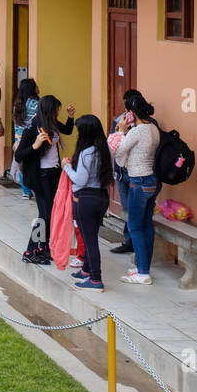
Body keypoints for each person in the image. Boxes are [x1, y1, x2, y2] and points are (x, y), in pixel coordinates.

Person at [14, 94, 76, 265]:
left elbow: (68, 130)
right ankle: (30, 250)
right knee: (44, 215)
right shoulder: (33, 126)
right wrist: (35, 146)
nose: (57, 115)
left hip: (54, 173)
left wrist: (70, 117)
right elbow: (19, 155)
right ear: (48, 111)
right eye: (56, 112)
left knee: (52, 213)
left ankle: (44, 248)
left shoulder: (51, 122)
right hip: (39, 175)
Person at [64, 114, 114, 291]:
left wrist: (67, 166)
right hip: (101, 198)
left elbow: (80, 180)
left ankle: (95, 279)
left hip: (86, 199)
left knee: (89, 240)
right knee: (89, 236)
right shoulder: (106, 149)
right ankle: (86, 271)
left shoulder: (87, 153)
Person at [113, 94, 160, 285]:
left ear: (131, 113)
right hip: (151, 180)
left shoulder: (137, 131)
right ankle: (143, 267)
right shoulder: (153, 129)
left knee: (134, 226)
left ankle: (143, 273)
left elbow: (117, 150)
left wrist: (121, 131)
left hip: (138, 181)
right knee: (146, 225)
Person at [108, 88, 143, 255]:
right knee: (127, 209)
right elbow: (113, 146)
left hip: (138, 173)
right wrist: (120, 130)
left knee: (138, 210)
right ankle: (128, 241)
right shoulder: (118, 121)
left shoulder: (146, 125)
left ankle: (137, 242)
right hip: (121, 172)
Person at [10, 78, 40, 199]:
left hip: (19, 139)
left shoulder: (17, 104)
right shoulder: (37, 104)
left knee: (21, 164)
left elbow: (16, 125)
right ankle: (34, 188)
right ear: (32, 89)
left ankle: (25, 191)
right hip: (32, 139)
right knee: (32, 164)